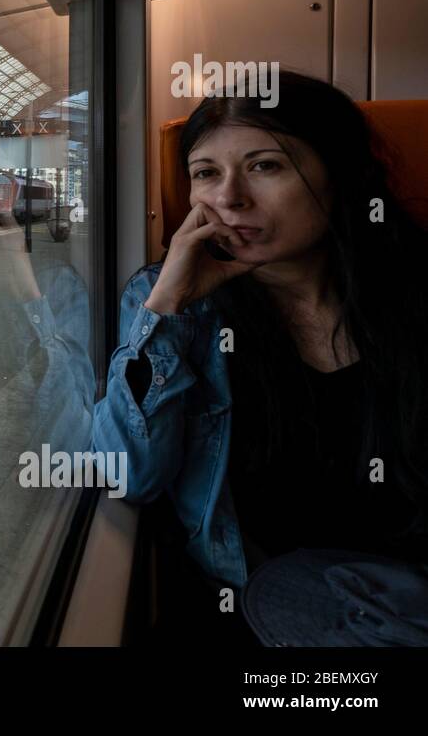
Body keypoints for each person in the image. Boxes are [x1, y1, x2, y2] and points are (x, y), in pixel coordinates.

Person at [92, 72, 428, 645]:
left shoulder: (413, 288)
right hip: (251, 610)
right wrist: (166, 309)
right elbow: (126, 476)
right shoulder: (172, 308)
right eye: (205, 174)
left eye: (265, 166)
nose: (229, 198)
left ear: (340, 173)